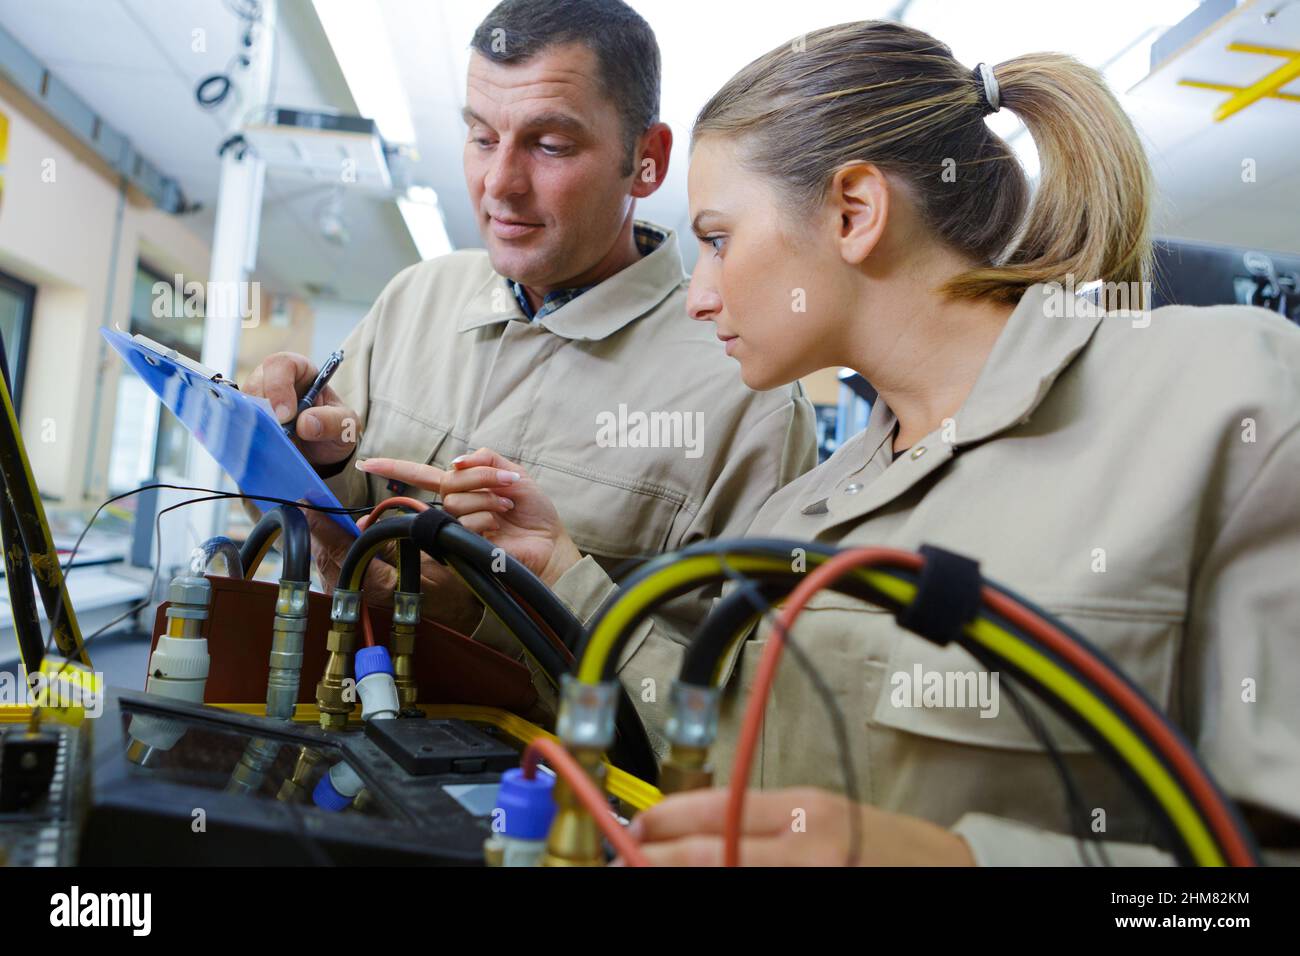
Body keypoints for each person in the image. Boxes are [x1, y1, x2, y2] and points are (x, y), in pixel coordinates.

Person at [368, 21, 1300, 865]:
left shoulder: (1230, 398)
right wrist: (560, 567)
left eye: (721, 239)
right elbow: (730, 750)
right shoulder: (809, 508)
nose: (698, 294)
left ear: (854, 212)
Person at [242, 0, 816, 675]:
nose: (500, 185)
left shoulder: (748, 401)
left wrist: (501, 613)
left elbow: (745, 715)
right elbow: (327, 524)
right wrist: (314, 464)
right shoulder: (414, 299)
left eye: (549, 145)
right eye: (482, 137)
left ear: (647, 159)